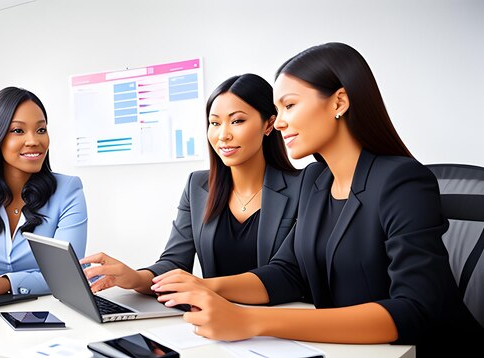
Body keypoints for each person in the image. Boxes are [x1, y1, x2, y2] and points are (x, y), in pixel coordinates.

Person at [153, 43, 483, 354]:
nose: (279, 122)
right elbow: (288, 272)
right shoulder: (315, 180)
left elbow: (413, 310)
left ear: (339, 102)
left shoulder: (402, 180)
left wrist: (250, 320)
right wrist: (206, 287)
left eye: (289, 105)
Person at [81, 74, 308, 295]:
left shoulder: (303, 187)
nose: (223, 135)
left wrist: (205, 287)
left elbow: (288, 275)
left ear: (269, 124)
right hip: (211, 320)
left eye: (237, 121)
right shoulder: (198, 186)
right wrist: (134, 278)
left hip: (277, 319)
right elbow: (174, 262)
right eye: (215, 123)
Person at [0, 87, 88, 301]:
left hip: (53, 312)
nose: (34, 141)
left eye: (41, 130)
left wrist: (6, 283)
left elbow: (67, 276)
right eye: (18, 131)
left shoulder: (68, 190)